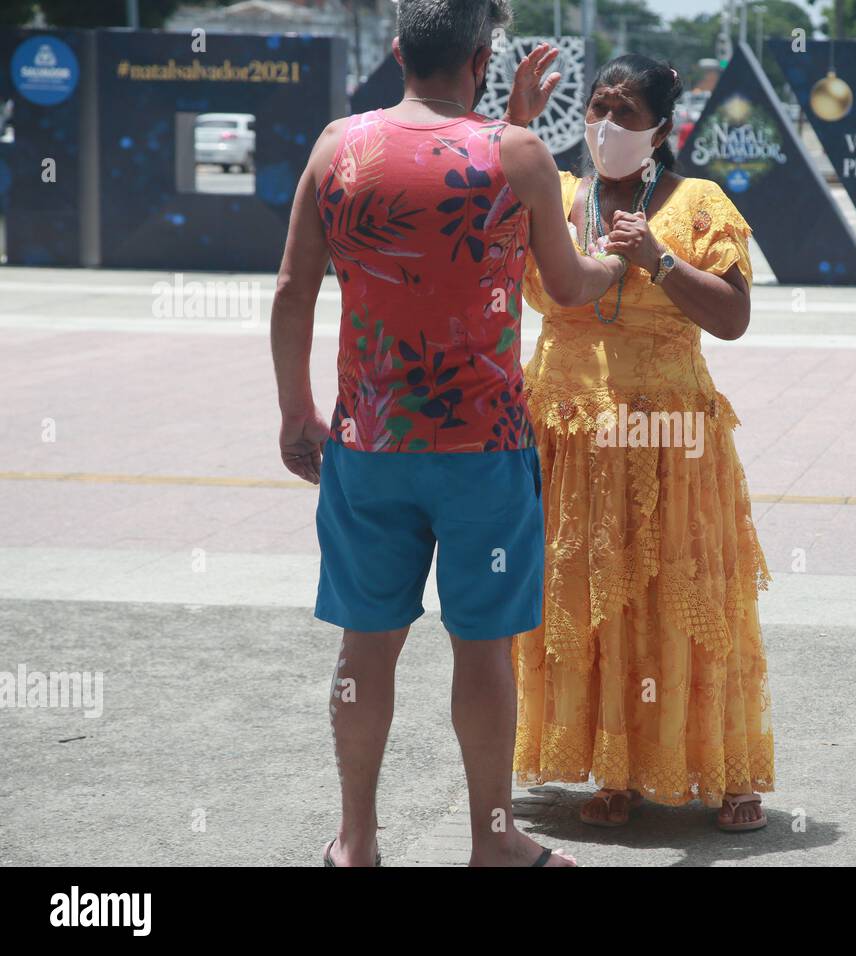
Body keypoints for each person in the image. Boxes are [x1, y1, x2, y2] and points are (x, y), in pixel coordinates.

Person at [269, 0, 628, 867]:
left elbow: (292, 290)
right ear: (483, 57)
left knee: (367, 650)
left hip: (368, 443)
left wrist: (296, 413)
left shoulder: (336, 148)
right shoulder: (517, 155)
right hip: (484, 450)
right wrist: (619, 259)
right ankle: (492, 841)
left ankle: (356, 842)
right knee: (484, 652)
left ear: (398, 51)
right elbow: (572, 285)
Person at [506, 53, 775, 830]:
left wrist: (657, 262)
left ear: (663, 127)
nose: (607, 126)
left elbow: (731, 318)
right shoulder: (553, 192)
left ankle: (730, 775)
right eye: (597, 107)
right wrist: (519, 120)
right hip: (567, 435)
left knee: (687, 592)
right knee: (587, 596)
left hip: (670, 440)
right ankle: (615, 768)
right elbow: (482, 195)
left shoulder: (698, 202)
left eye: (626, 113)